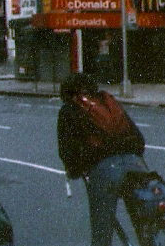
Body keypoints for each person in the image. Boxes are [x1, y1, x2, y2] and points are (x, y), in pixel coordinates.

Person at [57, 72, 147, 246]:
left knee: (102, 232)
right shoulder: (108, 101)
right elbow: (138, 139)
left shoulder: (69, 109)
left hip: (106, 171)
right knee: (144, 222)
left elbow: (67, 150)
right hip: (135, 164)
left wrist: (75, 169)